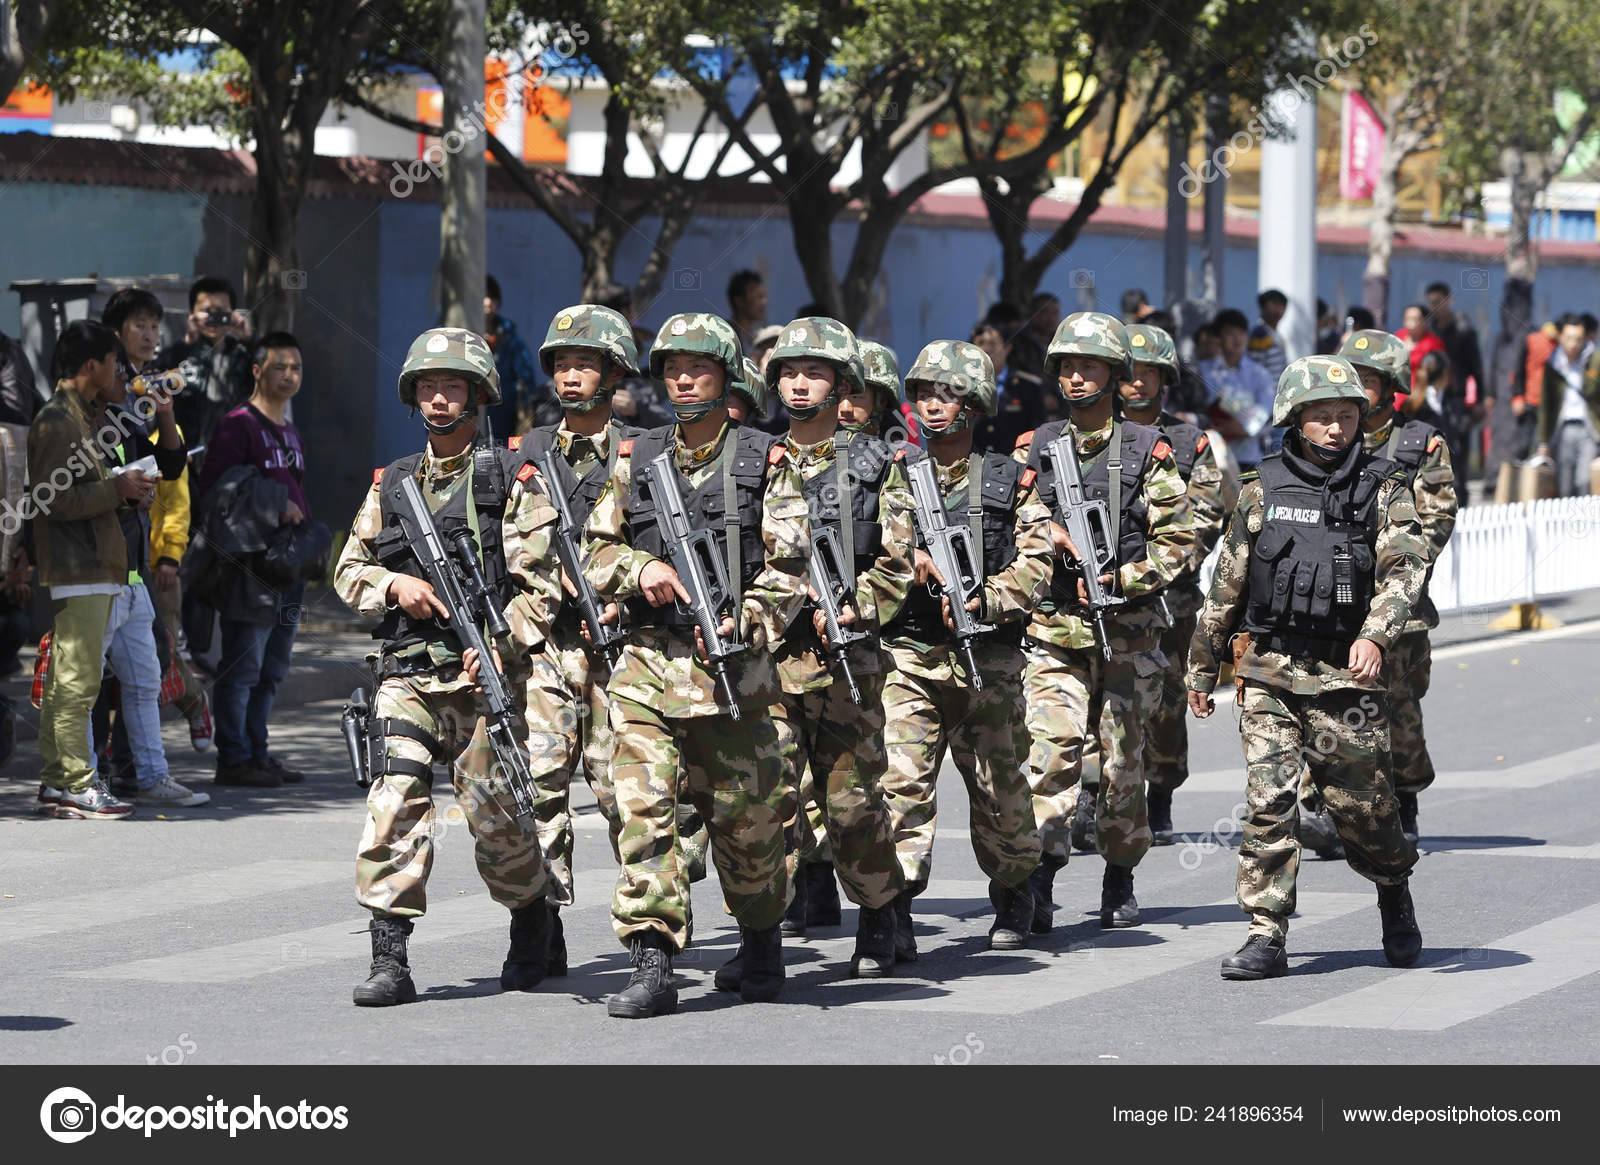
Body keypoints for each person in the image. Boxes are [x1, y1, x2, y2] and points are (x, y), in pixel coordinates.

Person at [580, 311, 807, 1018]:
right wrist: (638, 566)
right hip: (648, 669)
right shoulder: (634, 458)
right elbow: (593, 550)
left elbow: (791, 566)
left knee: (749, 824)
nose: (682, 378)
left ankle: (761, 938)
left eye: (699, 368)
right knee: (641, 813)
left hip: (734, 675)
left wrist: (751, 621)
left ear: (725, 375)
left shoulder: (767, 460)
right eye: (673, 367)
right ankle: (652, 957)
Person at [335, 326, 570, 1006]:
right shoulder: (392, 484)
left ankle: (532, 918)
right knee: (393, 803)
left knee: (495, 817)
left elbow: (542, 584)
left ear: (477, 395)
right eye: (428, 388)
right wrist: (392, 587)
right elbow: (349, 567)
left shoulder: (512, 481)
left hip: (483, 678)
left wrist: (502, 642)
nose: (439, 400)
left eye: (452, 387)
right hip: (408, 673)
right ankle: (390, 956)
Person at [1187, 354, 1425, 980]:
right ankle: (1266, 932)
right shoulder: (1261, 488)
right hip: (1268, 669)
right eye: (1321, 417)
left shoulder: (1385, 487)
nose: (1334, 428)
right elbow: (1228, 584)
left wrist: (1375, 636)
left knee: (1363, 810)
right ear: (1295, 419)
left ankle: (1393, 887)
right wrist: (1201, 665)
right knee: (1270, 801)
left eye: (1346, 416)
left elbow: (1404, 569)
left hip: (1346, 675)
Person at [509, 303, 704, 975]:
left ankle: (652, 927)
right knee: (537, 786)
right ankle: (537, 922)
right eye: (562, 363)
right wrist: (545, 593)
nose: (570, 375)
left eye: (585, 363)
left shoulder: (647, 452)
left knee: (632, 793)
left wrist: (620, 586)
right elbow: (507, 550)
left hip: (625, 650)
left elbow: (664, 540)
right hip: (551, 647)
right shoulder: (527, 453)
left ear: (614, 373)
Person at [1013, 314, 1195, 932]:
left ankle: (1120, 874)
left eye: (1090, 365)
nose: (1076, 376)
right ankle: (1038, 878)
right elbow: (1009, 528)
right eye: (1067, 365)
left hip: (1128, 634)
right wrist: (1047, 535)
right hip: (1054, 629)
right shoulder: (1033, 448)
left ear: (1116, 375)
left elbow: (1181, 539)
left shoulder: (1149, 452)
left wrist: (1122, 578)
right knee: (1051, 755)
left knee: (1121, 768)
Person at [878, 340, 1051, 958]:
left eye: (946, 394)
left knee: (1000, 789)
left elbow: (1036, 565)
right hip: (909, 653)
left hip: (990, 660)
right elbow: (866, 553)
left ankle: (1014, 889)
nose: (931, 404)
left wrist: (986, 599)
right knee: (900, 785)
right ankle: (892, 910)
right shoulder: (891, 477)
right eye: (923, 392)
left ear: (973, 405)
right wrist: (908, 563)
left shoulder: (1012, 479)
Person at [751, 317, 908, 978]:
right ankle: (761, 941)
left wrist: (854, 605)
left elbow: (897, 563)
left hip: (848, 661)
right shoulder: (755, 461)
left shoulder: (875, 464)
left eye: (813, 372)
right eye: (789, 372)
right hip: (770, 659)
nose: (799, 383)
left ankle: (880, 912)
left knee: (850, 806)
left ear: (842, 383)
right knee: (768, 801)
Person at [1102, 323, 1226, 845]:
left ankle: (1162, 793)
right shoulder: (1088, 437)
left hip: (1170, 599)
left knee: (1168, 700)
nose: (1137, 382)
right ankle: (1095, 798)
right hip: (1099, 597)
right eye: (1130, 372)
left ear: (1164, 378)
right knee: (1099, 701)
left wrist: (1157, 563)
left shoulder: (1185, 441)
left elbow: (1208, 513)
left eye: (1148, 372)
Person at [27, 321, 156, 819]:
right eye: (111, 362)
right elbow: (50, 498)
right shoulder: (59, 421)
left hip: (93, 563)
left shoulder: (78, 417)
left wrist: (122, 489)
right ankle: (78, 782)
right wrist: (116, 489)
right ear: (91, 366)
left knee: (67, 680)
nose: (116, 371)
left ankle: (59, 783)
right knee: (79, 683)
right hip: (78, 565)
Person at [1341, 329, 1457, 844]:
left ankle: (1404, 798)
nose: (1357, 388)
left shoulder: (1419, 443)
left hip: (1399, 607)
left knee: (1399, 709)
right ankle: (1322, 808)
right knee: (1329, 708)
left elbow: (1438, 517)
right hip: (1335, 602)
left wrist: (1398, 568)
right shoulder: (1325, 437)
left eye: (1368, 380)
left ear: (1391, 386)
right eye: (1352, 378)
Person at [195, 333, 311, 788]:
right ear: (257, 370)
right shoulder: (237, 424)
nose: (288, 374)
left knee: (274, 667)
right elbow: (216, 494)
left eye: (296, 367)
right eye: (279, 366)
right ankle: (234, 757)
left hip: (289, 563)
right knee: (243, 666)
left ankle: (257, 752)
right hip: (251, 566)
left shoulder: (289, 428)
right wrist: (272, 505)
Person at [104, 287, 212, 753]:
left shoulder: (154, 401)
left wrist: (170, 552)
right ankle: (108, 757)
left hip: (147, 559)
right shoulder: (100, 405)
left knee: (151, 654)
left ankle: (136, 758)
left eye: (154, 327)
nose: (149, 335)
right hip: (102, 555)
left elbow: (174, 484)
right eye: (139, 326)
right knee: (109, 665)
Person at [157, 275, 255, 456]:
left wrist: (249, 341)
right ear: (191, 313)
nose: (213, 317)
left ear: (232, 314)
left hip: (234, 455)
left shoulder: (244, 356)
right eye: (206, 311)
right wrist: (188, 344)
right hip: (187, 456)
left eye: (220, 311)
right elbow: (158, 379)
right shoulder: (179, 352)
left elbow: (266, 383)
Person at [1200, 308, 1277, 471]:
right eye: (1229, 333)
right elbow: (1197, 408)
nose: (1237, 339)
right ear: (1218, 338)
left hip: (1248, 459)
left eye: (1241, 333)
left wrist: (1245, 429)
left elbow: (1271, 415)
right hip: (1211, 457)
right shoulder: (1204, 371)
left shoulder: (1259, 373)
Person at [1535, 313, 1599, 497]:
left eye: (1578, 339)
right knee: (1564, 482)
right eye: (1569, 338)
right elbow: (1546, 405)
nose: (1573, 344)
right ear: (1560, 337)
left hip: (1588, 428)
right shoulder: (1553, 364)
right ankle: (1566, 525)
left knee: (1583, 480)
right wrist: (1543, 441)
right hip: (1561, 430)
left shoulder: (1594, 360)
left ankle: (1584, 523)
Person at [484, 274, 547, 439]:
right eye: (483, 296)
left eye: (492, 297)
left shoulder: (509, 336)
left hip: (504, 423)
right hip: (466, 421)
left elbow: (527, 381)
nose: (488, 302)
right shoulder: (456, 333)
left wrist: (525, 414)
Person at [971, 318, 1044, 454]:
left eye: (993, 343)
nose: (987, 349)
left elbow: (1037, 432)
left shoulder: (1029, 386)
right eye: (981, 343)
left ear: (1007, 347)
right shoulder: (963, 388)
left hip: (1016, 466)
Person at [1507, 322, 1558, 463]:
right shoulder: (1532, 340)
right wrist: (1517, 396)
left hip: (1550, 406)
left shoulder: (1562, 347)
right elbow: (1518, 371)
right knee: (1522, 445)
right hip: (1530, 402)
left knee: (1546, 447)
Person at [1248, 289, 1289, 384]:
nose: (1278, 308)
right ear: (1262, 308)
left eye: (1282, 305)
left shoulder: (1276, 335)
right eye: (1274, 303)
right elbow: (1256, 370)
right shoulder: (1259, 335)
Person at [727, 270, 768, 355]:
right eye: (759, 297)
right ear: (739, 301)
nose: (764, 302)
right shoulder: (726, 335)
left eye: (764, 296)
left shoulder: (759, 335)